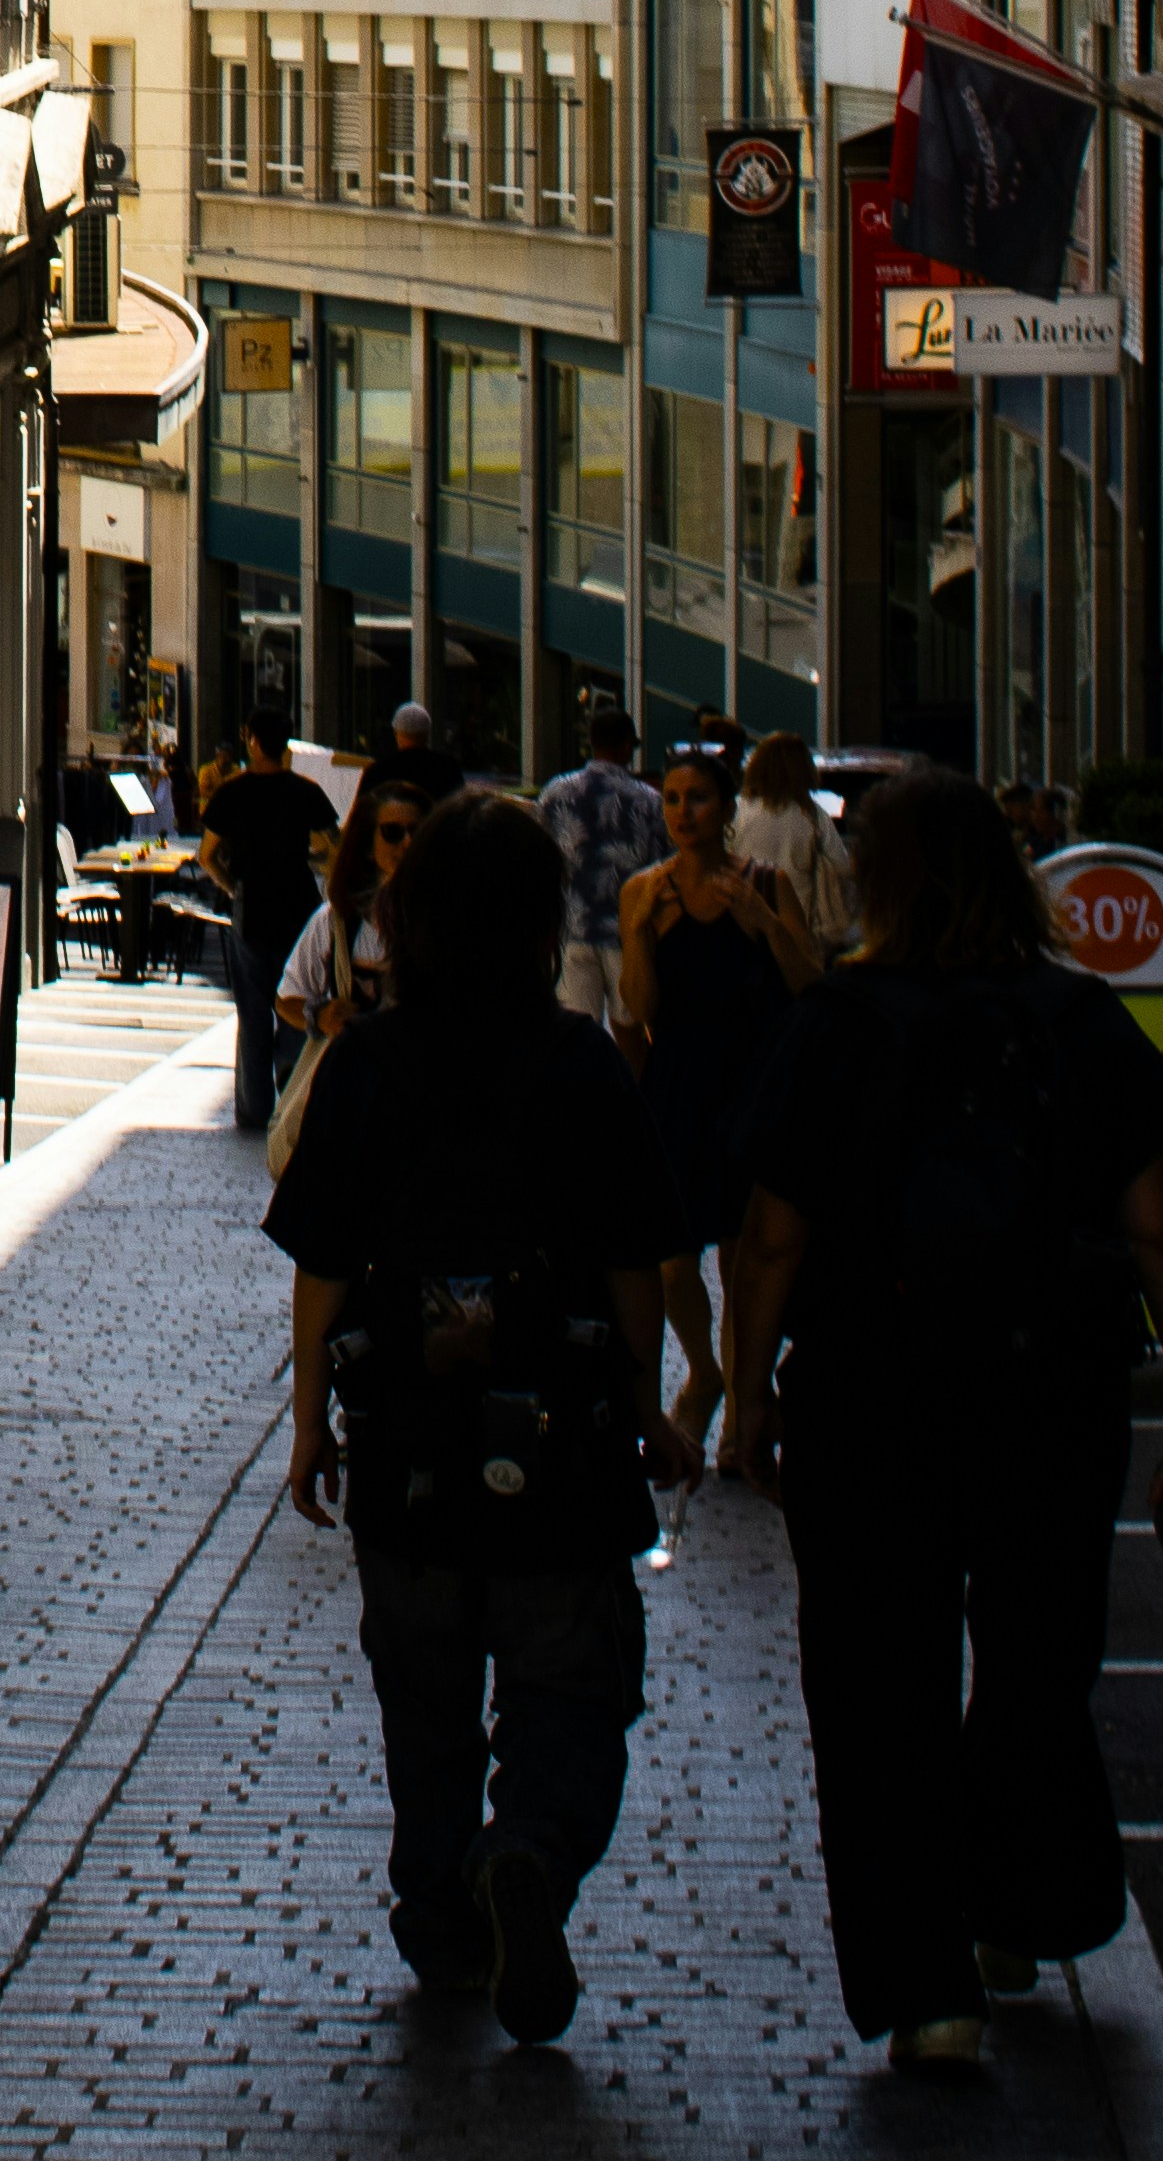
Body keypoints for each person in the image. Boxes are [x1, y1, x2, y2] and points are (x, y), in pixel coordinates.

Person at [721, 766, 1163, 2072]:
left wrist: (744, 1399)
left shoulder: (837, 1021)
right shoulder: (1079, 1019)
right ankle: (1014, 1910)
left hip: (866, 1394)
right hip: (1049, 1390)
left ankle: (925, 1992)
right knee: (1033, 1656)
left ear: (878, 883)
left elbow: (772, 1238)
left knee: (874, 1683)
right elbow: (1159, 1232)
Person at [270, 785, 695, 2042]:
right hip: (560, 1427)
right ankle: (533, 1852)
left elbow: (320, 1264)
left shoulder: (369, 1064)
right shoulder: (580, 1062)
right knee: (572, 1682)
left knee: (425, 1688)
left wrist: (309, 1420)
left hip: (404, 1429)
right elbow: (636, 1256)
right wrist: (647, 1397)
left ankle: (444, 1906)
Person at [619, 749, 819, 1438]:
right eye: (671, 799)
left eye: (698, 798)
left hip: (752, 1085)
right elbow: (638, 1005)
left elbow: (811, 989)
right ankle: (704, 1370)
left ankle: (742, 1406)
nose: (683, 812)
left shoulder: (765, 882)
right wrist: (642, 935)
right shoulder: (644, 892)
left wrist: (765, 925)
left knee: (745, 1260)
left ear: (729, 808)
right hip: (678, 1084)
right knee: (673, 1264)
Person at [197, 707, 339, 1133]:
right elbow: (335, 847)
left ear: (251, 739)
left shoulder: (231, 792)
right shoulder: (306, 791)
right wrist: (312, 860)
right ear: (287, 743)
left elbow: (207, 856)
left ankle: (254, 1108)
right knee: (297, 1002)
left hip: (252, 906)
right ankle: (292, 1097)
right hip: (298, 906)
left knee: (253, 1010)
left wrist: (230, 886)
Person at [281, 763, 437, 1039]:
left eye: (418, 830)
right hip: (357, 1074)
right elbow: (288, 997)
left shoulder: (450, 918)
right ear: (367, 846)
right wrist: (321, 1015)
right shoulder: (335, 921)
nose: (408, 842)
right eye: (393, 833)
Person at [539, 704, 667, 1025]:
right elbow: (663, 865)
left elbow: (538, 857)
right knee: (631, 1028)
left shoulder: (556, 793)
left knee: (576, 1029)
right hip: (627, 932)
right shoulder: (648, 800)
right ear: (627, 746)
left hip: (572, 927)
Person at [732, 732, 854, 952]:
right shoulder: (813, 816)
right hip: (797, 932)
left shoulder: (736, 811)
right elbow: (841, 867)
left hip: (742, 925)